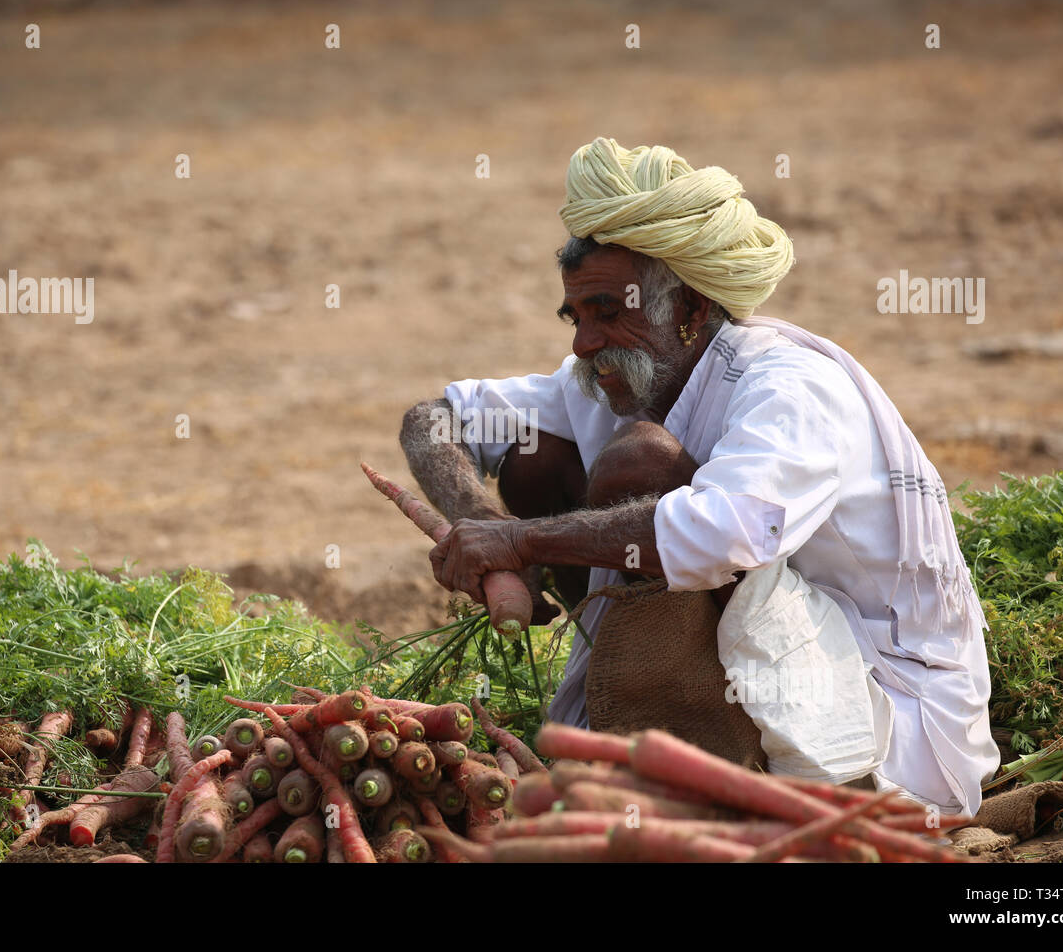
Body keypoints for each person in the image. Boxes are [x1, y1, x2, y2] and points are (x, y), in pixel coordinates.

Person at [398, 137, 999, 816]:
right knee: (538, 455)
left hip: (878, 708)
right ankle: (633, 725)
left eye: (606, 313)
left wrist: (525, 546)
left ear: (687, 311)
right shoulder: (609, 381)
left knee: (639, 464)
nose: (582, 343)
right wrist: (483, 517)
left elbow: (724, 533)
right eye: (576, 317)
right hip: (765, 652)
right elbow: (434, 420)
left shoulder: (790, 386)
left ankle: (683, 778)